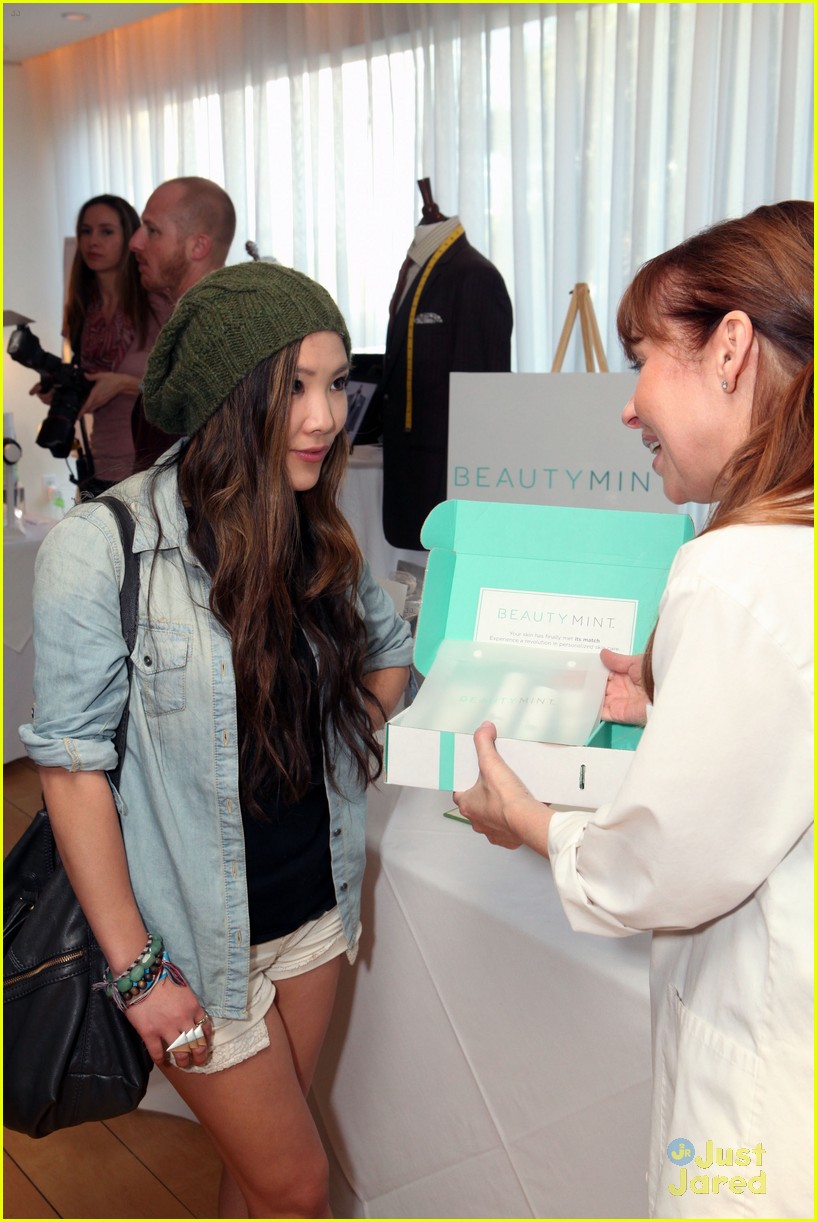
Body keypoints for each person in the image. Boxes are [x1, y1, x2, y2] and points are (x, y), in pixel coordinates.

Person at [20, 262, 414, 1218]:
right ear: (228, 398)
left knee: (258, 1175)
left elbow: (390, 656)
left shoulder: (314, 530)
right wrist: (139, 973)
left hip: (314, 913)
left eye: (335, 384)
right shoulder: (102, 546)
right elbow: (70, 770)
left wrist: (332, 737)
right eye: (294, 387)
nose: (324, 417)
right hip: (189, 940)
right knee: (298, 1185)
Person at [453, 201, 813, 1218]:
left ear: (729, 349)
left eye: (642, 357)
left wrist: (530, 820)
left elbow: (656, 867)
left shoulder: (733, 572)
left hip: (762, 1114)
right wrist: (675, 711)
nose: (625, 406)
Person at [31, 193, 171, 492]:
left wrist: (124, 384)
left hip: (154, 467)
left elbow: (182, 387)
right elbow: (91, 383)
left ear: (130, 238)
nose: (92, 241)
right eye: (86, 231)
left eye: (106, 232)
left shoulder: (158, 303)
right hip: (99, 464)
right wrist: (61, 390)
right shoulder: (81, 310)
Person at [128, 176, 236, 470]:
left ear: (198, 246)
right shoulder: (187, 328)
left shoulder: (219, 337)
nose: (135, 242)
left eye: (152, 230)